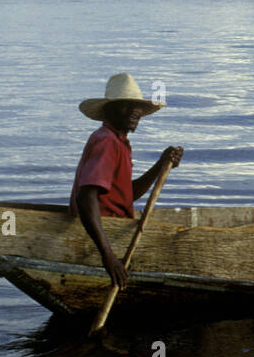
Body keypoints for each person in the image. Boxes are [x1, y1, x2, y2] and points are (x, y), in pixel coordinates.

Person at [69, 73, 183, 290]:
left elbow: (125, 195)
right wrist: (108, 255)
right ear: (110, 110)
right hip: (105, 232)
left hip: (112, 226)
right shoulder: (107, 141)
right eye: (126, 105)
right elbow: (86, 197)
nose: (135, 111)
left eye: (137, 106)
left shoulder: (118, 142)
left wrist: (161, 165)